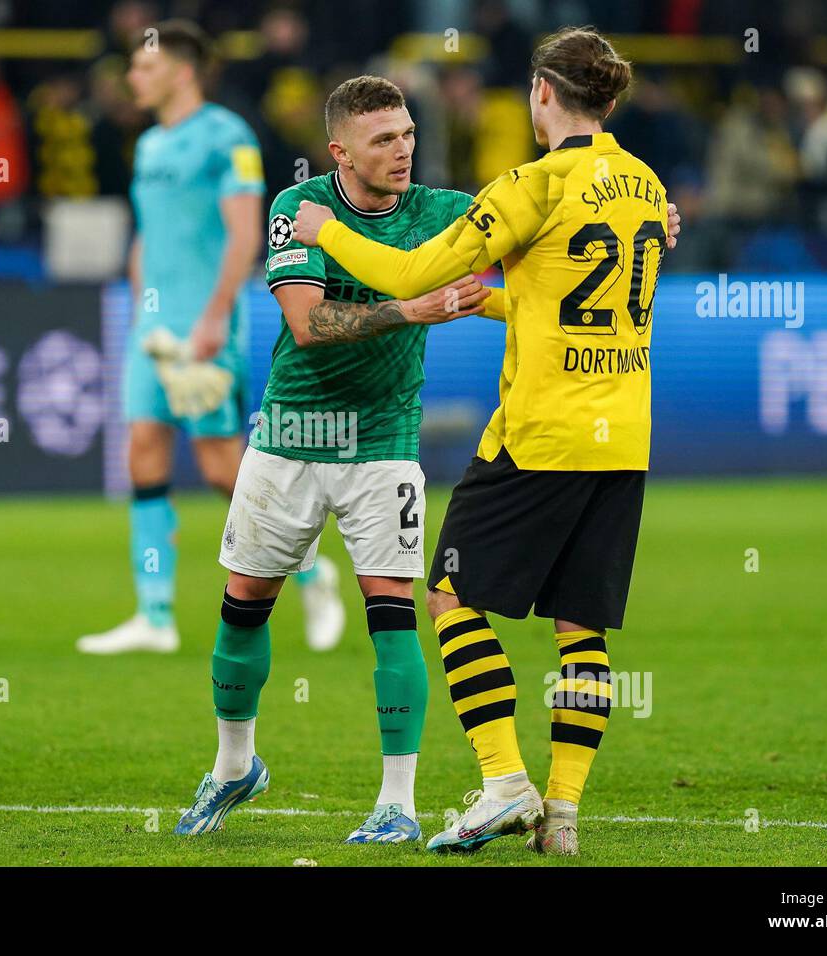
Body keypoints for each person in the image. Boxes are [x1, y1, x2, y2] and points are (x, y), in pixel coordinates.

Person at [175, 72, 682, 844]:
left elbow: (555, 253)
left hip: (385, 438)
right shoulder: (296, 210)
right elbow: (309, 324)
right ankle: (233, 764)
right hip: (293, 434)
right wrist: (409, 310)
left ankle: (397, 804)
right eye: (384, 139)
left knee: (395, 611)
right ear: (339, 150)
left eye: (409, 133)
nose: (404, 149)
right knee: (245, 601)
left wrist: (642, 223)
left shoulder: (443, 212)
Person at [77, 20, 344, 656]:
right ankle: (155, 613)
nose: (133, 77)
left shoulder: (227, 136)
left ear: (182, 70)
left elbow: (247, 234)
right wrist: (142, 312)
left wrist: (215, 317)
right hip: (154, 328)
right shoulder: (148, 146)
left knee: (224, 468)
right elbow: (148, 234)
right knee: (142, 450)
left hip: (208, 325)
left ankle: (312, 570)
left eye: (144, 67)